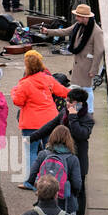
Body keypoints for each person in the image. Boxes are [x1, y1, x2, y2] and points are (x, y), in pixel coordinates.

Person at [11, 50, 72, 183]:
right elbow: (64, 91)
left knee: (31, 152)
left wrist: (14, 90)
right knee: (49, 150)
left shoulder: (24, 84)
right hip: (50, 120)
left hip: (30, 122)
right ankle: (48, 179)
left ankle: (31, 181)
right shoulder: (48, 79)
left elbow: (18, 101)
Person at [33, 4, 105, 112]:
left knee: (87, 89)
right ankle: (76, 111)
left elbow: (99, 51)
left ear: (85, 17)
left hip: (87, 65)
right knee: (77, 88)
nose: (76, 18)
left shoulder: (97, 31)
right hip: (78, 63)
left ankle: (89, 111)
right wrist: (48, 31)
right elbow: (65, 31)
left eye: (78, 16)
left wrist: (94, 70)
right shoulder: (78, 25)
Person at [26, 123, 85, 215]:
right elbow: (77, 184)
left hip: (43, 204)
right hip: (66, 204)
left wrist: (41, 189)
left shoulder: (43, 154)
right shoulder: (72, 159)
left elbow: (31, 177)